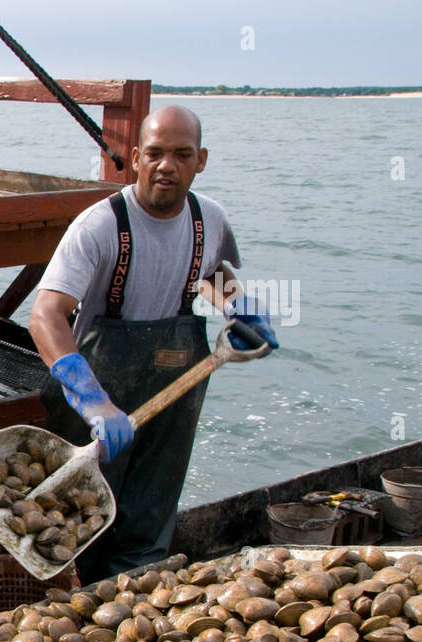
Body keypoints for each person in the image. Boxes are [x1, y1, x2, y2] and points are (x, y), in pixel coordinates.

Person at [28, 104, 278, 582]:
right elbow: (45, 315)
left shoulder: (211, 221)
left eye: (182, 155)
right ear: (137, 158)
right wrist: (92, 401)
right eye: (157, 154)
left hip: (174, 384)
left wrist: (240, 309)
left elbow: (212, 274)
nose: (168, 166)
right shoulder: (100, 226)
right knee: (78, 517)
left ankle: (138, 597)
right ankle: (78, 595)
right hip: (98, 390)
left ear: (200, 160)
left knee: (152, 506)